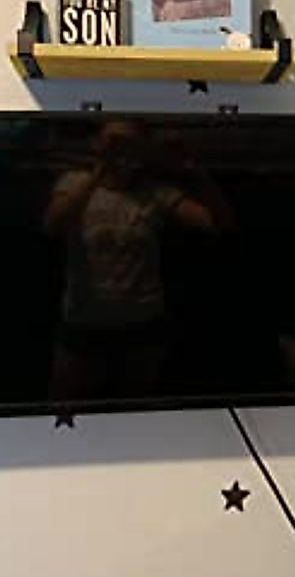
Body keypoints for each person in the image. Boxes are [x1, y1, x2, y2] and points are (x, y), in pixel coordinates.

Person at [43, 120, 231, 402]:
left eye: (129, 144)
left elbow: (216, 223)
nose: (122, 151)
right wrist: (99, 171)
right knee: (64, 405)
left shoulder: (155, 191)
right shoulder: (75, 183)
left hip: (142, 322)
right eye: (114, 142)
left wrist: (193, 170)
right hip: (84, 320)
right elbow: (53, 224)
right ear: (96, 143)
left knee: (134, 406)